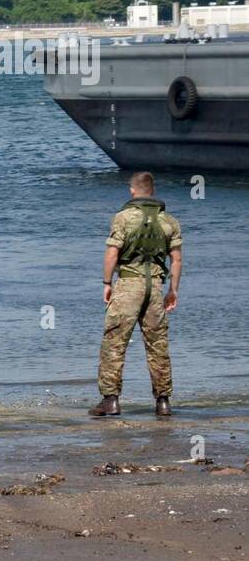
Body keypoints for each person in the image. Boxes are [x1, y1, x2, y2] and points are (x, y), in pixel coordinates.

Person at [92, 171, 183, 418]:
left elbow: (112, 253)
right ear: (152, 191)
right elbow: (176, 259)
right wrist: (173, 290)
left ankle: (111, 400)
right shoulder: (170, 222)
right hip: (155, 287)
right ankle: (163, 401)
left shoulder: (122, 218)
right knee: (158, 345)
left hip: (129, 285)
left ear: (132, 191)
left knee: (115, 342)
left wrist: (107, 282)